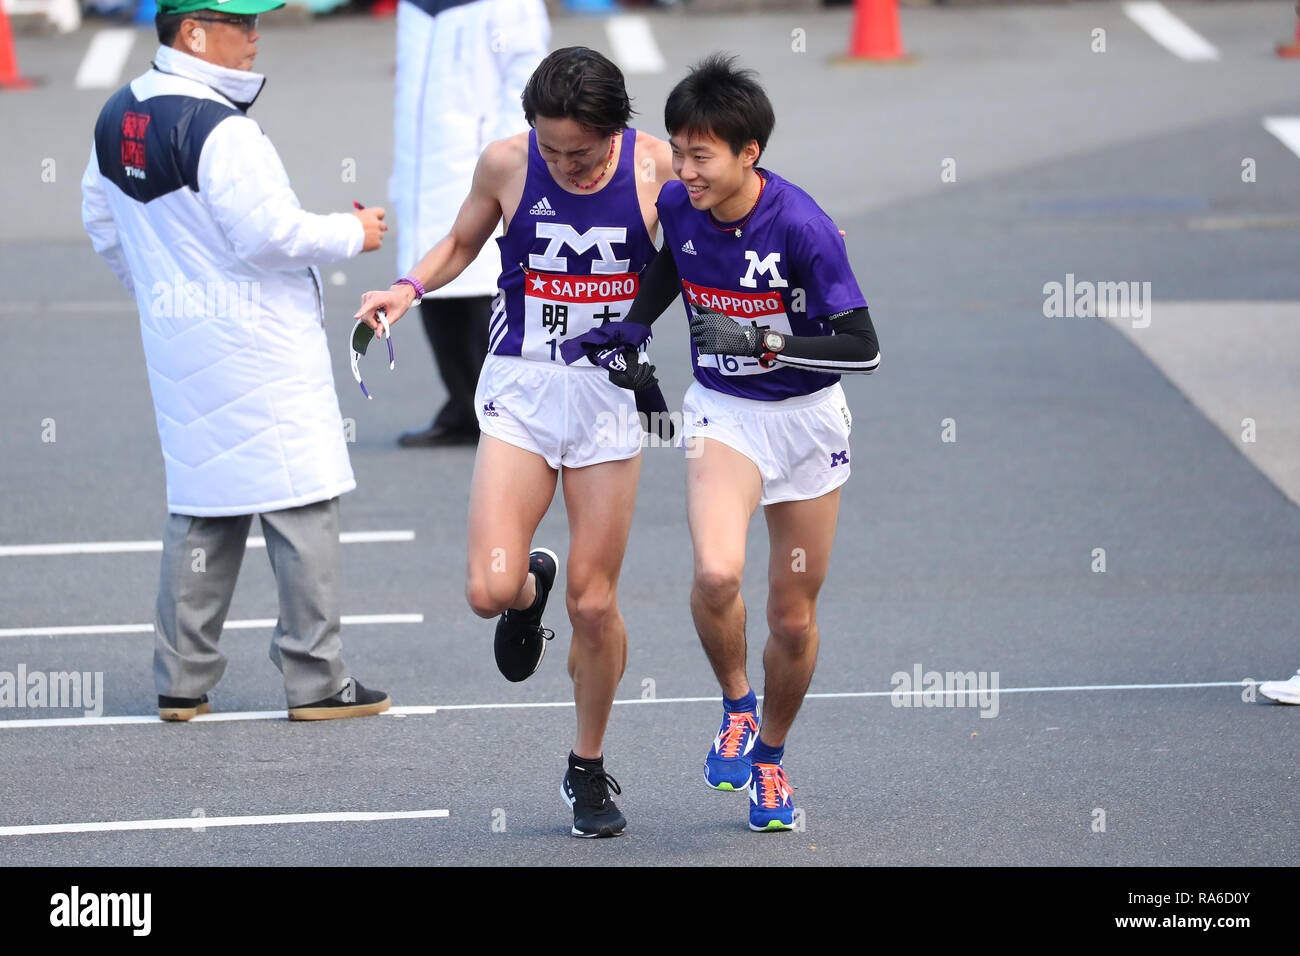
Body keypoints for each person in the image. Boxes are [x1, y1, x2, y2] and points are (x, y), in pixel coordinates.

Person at [356, 47, 675, 838]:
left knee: (596, 604)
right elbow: (463, 242)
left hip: (605, 395)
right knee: (487, 591)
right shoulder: (506, 162)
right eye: (551, 148)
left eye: (582, 151)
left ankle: (587, 768)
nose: (564, 164)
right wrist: (408, 288)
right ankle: (528, 592)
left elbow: (707, 246)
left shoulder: (656, 170)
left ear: (616, 132)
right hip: (521, 389)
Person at [566, 54, 880, 831]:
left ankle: (769, 762)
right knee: (715, 573)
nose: (683, 169)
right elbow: (673, 266)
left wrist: (771, 340)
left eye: (699, 154)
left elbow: (863, 346)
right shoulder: (678, 204)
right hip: (724, 415)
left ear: (750, 154)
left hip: (806, 425)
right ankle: (738, 706)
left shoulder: (803, 227)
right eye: (677, 150)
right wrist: (635, 327)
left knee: (794, 619)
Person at [80, 0, 391, 722]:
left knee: (202, 506)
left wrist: (162, 296)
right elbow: (270, 235)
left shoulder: (117, 113)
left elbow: (101, 221)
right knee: (301, 500)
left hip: (182, 343)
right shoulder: (223, 128)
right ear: (194, 31)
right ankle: (318, 678)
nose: (255, 36)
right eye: (241, 22)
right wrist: (353, 231)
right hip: (260, 343)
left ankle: (180, 679)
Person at [389, 0, 550, 448]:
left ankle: (497, 408)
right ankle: (463, 404)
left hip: (477, 156)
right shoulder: (413, 6)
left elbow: (527, 75)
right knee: (431, 289)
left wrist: (502, 151)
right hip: (423, 160)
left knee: (477, 290)